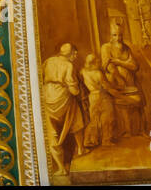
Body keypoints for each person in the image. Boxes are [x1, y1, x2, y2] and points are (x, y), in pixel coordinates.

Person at [41, 43, 86, 174]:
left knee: (52, 132)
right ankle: (80, 148)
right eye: (75, 53)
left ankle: (61, 168)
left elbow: (41, 78)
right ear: (70, 53)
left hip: (47, 95)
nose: (76, 56)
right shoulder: (69, 65)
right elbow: (73, 89)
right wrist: (79, 91)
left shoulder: (48, 61)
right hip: (62, 96)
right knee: (76, 114)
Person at [101, 21, 146, 137]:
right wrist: (119, 78)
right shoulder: (106, 48)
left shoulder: (126, 48)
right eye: (114, 35)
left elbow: (134, 66)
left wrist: (119, 62)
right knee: (122, 104)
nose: (118, 38)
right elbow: (108, 66)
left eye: (120, 35)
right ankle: (126, 131)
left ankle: (140, 129)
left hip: (131, 79)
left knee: (139, 101)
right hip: (117, 81)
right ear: (110, 35)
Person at [80, 53, 116, 149]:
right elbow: (106, 87)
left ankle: (90, 140)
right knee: (107, 117)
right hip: (101, 96)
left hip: (92, 96)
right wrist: (118, 93)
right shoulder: (98, 73)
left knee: (94, 119)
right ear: (94, 63)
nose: (99, 62)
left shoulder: (83, 72)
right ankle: (106, 140)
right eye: (98, 61)